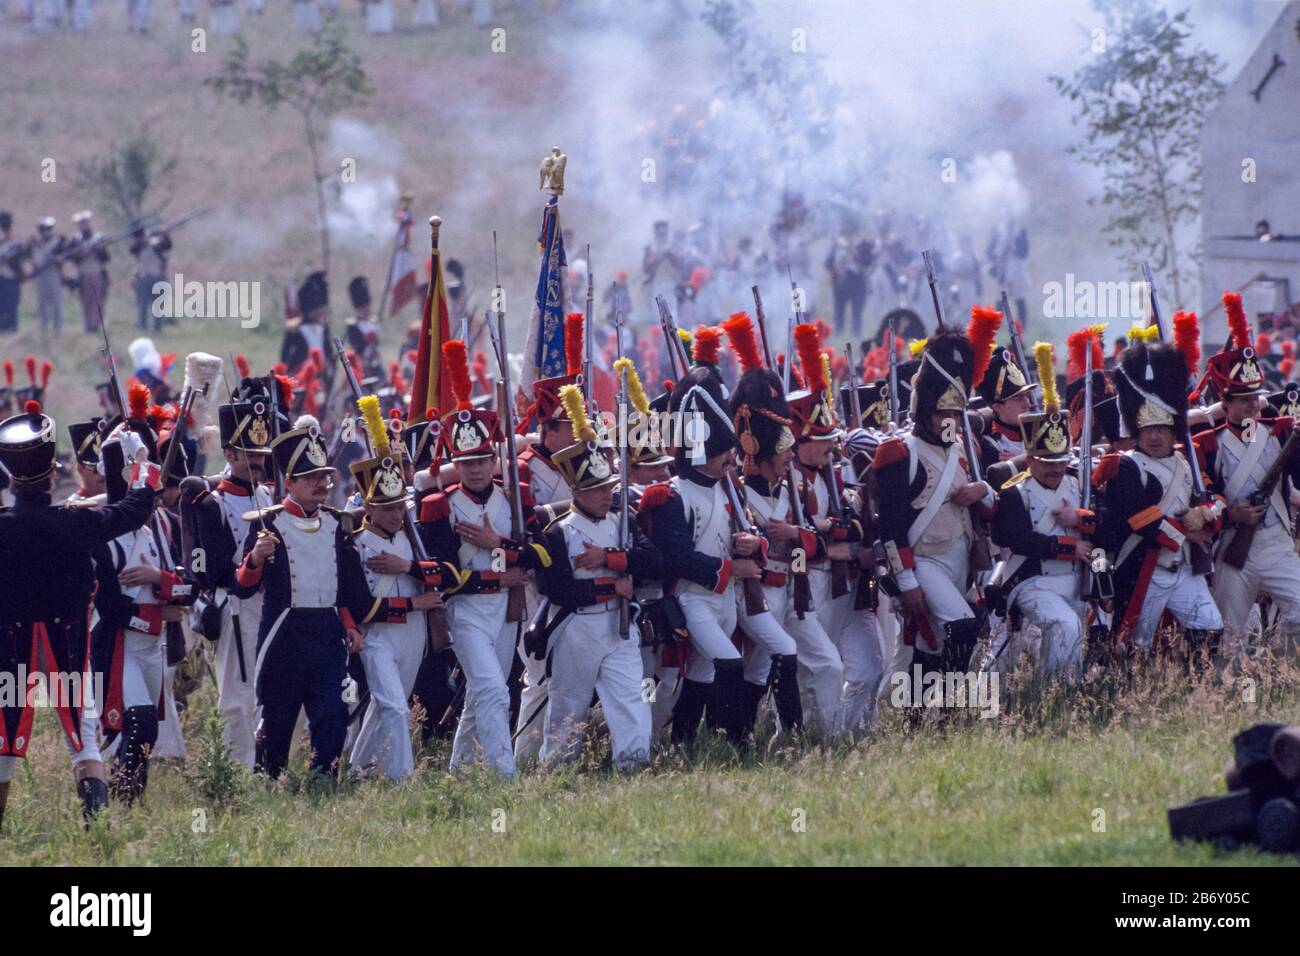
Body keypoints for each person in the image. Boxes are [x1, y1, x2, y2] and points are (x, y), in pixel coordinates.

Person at [232, 413, 439, 780]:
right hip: (285, 633)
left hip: (327, 632)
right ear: (290, 482)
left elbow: (344, 586)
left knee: (332, 713)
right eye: (311, 478)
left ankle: (322, 781)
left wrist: (349, 625)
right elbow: (243, 585)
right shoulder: (266, 524)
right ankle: (269, 782)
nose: (321, 484)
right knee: (279, 716)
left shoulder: (337, 523)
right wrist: (255, 559)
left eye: (324, 477)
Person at [0, 397, 159, 829]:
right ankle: (97, 833)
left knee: (3, 743)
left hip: (10, 651)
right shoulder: (72, 523)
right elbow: (135, 508)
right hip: (66, 647)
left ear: (12, 476)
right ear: (53, 472)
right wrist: (145, 460)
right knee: (83, 740)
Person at [418, 340, 549, 778]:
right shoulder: (440, 506)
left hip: (508, 612)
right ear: (455, 461)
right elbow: (441, 571)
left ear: (494, 458)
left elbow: (539, 552)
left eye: (480, 459)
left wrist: (498, 543)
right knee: (493, 687)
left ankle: (458, 772)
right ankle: (504, 776)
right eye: (465, 461)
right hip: (468, 610)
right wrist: (499, 570)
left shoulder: (517, 498)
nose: (473, 469)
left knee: (482, 693)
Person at [535, 385, 657, 770]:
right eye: (597, 488)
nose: (606, 494)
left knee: (631, 701)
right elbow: (556, 589)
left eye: (608, 486)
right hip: (577, 630)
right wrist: (610, 585)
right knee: (568, 708)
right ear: (576, 490)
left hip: (618, 627)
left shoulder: (625, 520)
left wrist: (608, 558)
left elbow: (651, 562)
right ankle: (556, 771)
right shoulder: (558, 531)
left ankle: (634, 764)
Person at [641, 361, 757, 745]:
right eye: (721, 450)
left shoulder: (728, 489)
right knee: (726, 663)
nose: (730, 457)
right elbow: (674, 557)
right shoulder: (670, 495)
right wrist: (729, 566)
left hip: (721, 598)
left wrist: (752, 545)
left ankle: (684, 742)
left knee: (701, 677)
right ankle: (735, 741)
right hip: (691, 598)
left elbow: (745, 533)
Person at [873, 327, 993, 692]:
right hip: (923, 561)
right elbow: (890, 527)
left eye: (957, 414)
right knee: (963, 626)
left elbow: (990, 508)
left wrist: (982, 490)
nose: (952, 422)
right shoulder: (898, 453)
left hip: (960, 558)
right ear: (925, 411)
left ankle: (921, 718)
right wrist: (907, 582)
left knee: (933, 644)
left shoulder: (964, 447)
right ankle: (950, 706)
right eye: (944, 413)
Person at [1101, 339, 1224, 658]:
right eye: (1147, 429)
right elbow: (1142, 520)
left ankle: (1200, 691)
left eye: (1161, 428)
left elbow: (1214, 499)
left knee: (1209, 626)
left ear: (1174, 429)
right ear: (1136, 429)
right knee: (1130, 647)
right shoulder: (1125, 466)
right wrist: (1189, 532)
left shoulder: (1188, 462)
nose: (1154, 436)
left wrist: (1207, 516)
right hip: (1145, 565)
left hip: (1182, 567)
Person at [346, 399, 449, 780]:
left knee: (390, 705)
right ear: (369, 507)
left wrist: (407, 567)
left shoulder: (414, 537)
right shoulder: (356, 546)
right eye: (386, 508)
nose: (395, 514)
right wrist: (413, 602)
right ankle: (401, 779)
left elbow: (442, 574)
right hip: (379, 637)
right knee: (395, 707)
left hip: (414, 636)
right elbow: (360, 605)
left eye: (398, 507)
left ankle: (358, 770)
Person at [1193, 293, 1300, 659]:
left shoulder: (1282, 431)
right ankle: (1240, 698)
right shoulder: (1207, 443)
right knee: (1231, 637)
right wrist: (1231, 513)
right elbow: (1202, 494)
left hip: (1276, 542)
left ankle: (1274, 669)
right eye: (1243, 400)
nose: (1253, 405)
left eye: (1255, 398)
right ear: (1225, 403)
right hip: (1234, 544)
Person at [180, 393, 277, 768]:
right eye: (249, 454)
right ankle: (235, 771)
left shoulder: (268, 494)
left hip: (269, 605)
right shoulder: (210, 503)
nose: (258, 461)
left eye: (261, 454)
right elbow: (209, 571)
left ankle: (265, 765)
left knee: (269, 691)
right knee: (237, 697)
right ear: (230, 454)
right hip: (236, 606)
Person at [989, 344, 1096, 680]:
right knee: (1062, 627)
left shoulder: (1080, 485)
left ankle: (1063, 697)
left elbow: (1106, 523)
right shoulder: (1014, 493)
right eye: (1046, 462)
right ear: (1030, 459)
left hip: (1077, 582)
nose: (1055, 469)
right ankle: (1051, 698)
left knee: (1078, 633)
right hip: (1032, 582)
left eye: (1060, 461)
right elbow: (1015, 539)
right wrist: (1070, 548)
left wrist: (1078, 519)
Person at [67, 211, 109, 334]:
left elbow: (106, 258)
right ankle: (87, 325)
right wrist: (80, 254)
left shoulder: (98, 238)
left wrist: (100, 250)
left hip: (97, 272)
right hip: (82, 274)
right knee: (85, 300)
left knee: (98, 301)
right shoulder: (75, 240)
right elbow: (71, 257)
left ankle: (95, 325)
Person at [130, 222, 172, 331]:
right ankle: (142, 326)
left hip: (157, 276)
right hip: (143, 277)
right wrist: (145, 241)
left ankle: (158, 328)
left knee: (158, 306)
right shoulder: (139, 245)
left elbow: (167, 245)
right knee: (142, 305)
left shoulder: (158, 242)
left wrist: (165, 234)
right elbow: (133, 249)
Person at [30, 216, 66, 337]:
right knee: (42, 302)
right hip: (41, 274)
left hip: (53, 273)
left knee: (56, 302)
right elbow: (33, 258)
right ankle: (43, 327)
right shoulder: (34, 242)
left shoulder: (57, 242)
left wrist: (57, 260)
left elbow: (61, 259)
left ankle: (58, 329)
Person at [0, 211, 24, 334]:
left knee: (12, 303)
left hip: (11, 277)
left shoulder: (14, 243)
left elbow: (18, 261)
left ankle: (11, 328)